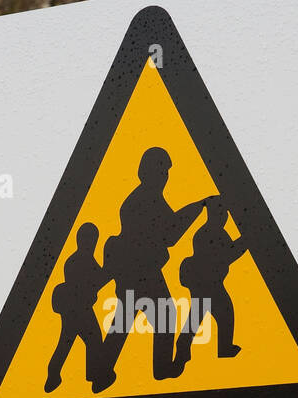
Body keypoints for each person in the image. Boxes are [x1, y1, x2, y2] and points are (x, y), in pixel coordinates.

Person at [99, 147, 216, 384]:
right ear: (148, 171)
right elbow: (170, 233)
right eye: (161, 169)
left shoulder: (148, 197)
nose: (165, 176)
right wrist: (199, 206)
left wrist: (197, 206)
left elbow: (169, 227)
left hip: (139, 272)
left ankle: (102, 372)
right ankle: (158, 368)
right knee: (156, 316)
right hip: (141, 272)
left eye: (167, 171)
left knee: (125, 320)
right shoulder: (144, 199)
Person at [175, 196, 248, 372]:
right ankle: (219, 347)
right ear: (215, 213)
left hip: (209, 283)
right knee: (224, 314)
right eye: (222, 212)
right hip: (209, 284)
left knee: (202, 317)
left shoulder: (213, 232)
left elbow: (228, 253)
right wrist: (246, 240)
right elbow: (228, 255)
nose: (225, 216)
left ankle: (189, 345)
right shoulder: (209, 233)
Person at [45, 222, 112, 393]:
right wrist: (111, 268)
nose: (93, 242)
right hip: (80, 309)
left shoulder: (78, 258)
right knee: (94, 340)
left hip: (72, 309)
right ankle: (96, 379)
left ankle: (53, 374)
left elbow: (97, 279)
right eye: (91, 238)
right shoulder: (82, 259)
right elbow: (97, 280)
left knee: (66, 343)